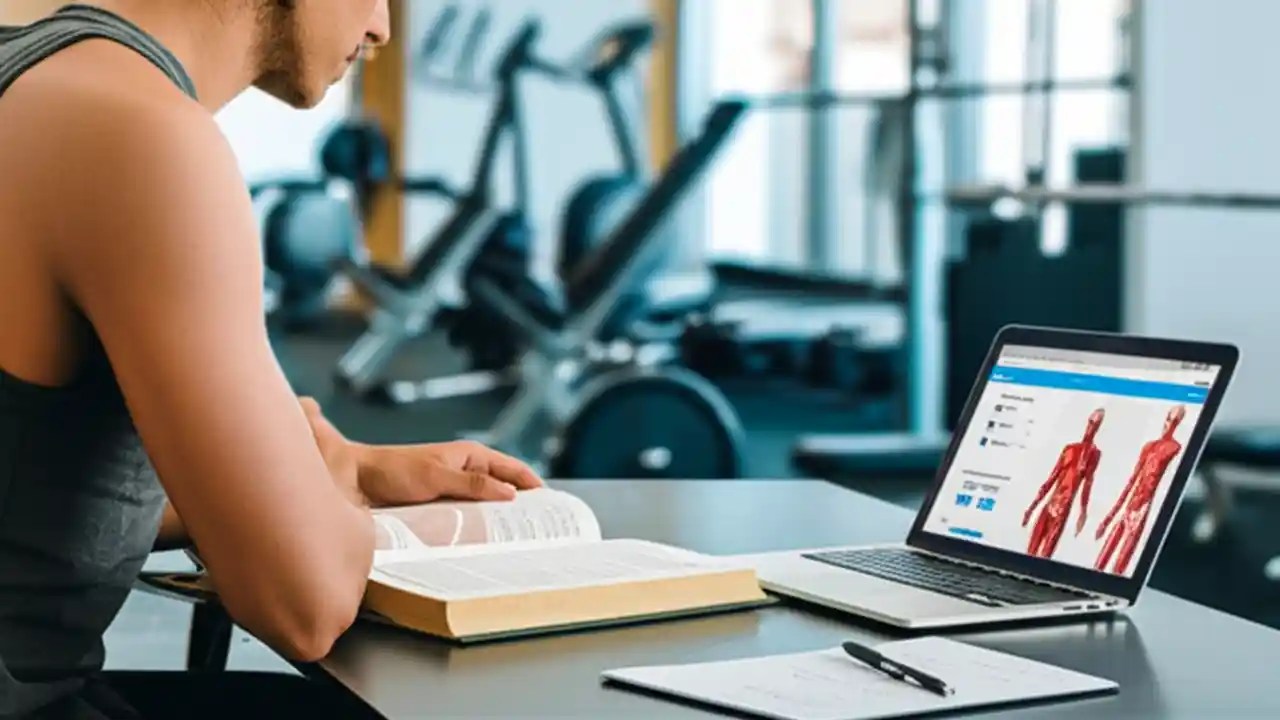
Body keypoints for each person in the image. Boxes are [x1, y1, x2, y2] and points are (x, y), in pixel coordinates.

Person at [0, 2, 544, 717]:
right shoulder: (143, 135)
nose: (381, 26)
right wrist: (310, 495)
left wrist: (334, 469)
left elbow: (28, 497)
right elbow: (303, 603)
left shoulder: (33, 75)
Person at [1094, 405, 1187, 575]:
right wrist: (1107, 520)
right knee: (1100, 562)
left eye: (1175, 420)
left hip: (1141, 511)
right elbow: (1131, 483)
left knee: (1119, 569)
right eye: (1168, 418)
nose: (1169, 424)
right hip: (1128, 509)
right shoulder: (1149, 446)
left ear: (1179, 423)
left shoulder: (1174, 447)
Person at [1021, 408, 1105, 559]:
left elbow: (1087, 484)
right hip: (1049, 505)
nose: (1091, 427)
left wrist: (1083, 512)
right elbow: (1050, 480)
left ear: (1099, 427)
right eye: (1091, 422)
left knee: (1045, 556)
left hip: (1063, 510)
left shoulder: (1094, 454)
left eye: (1096, 424)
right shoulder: (1069, 448)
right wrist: (1032, 508)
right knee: (1030, 552)